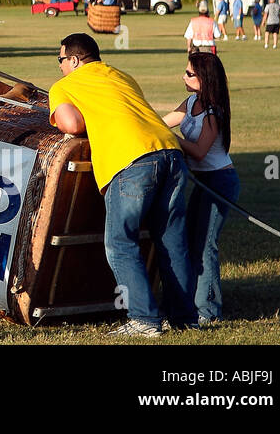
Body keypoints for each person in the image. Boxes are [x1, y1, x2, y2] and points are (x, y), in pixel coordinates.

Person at [49, 33, 196, 336]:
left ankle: (144, 320)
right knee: (172, 240)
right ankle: (184, 318)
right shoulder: (121, 76)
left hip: (131, 161)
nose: (60, 67)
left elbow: (72, 124)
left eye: (61, 60)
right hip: (170, 152)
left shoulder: (63, 86)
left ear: (74, 60)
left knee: (120, 243)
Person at [162, 52, 238, 326]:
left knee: (205, 245)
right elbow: (163, 122)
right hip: (202, 182)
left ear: (204, 79)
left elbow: (199, 152)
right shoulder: (190, 101)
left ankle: (208, 312)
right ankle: (188, 304)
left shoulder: (212, 112)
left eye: (189, 74)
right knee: (190, 241)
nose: (184, 77)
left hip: (219, 182)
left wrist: (173, 139)